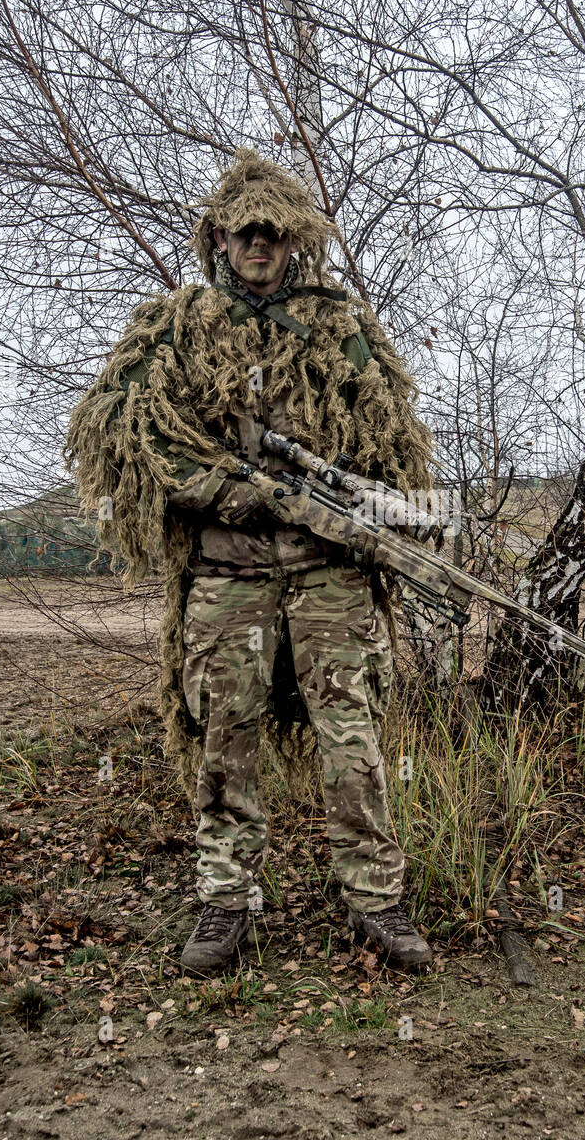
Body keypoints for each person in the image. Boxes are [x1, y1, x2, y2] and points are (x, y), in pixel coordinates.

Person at [65, 148, 436, 976]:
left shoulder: (340, 325)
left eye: (272, 232)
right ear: (220, 240)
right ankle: (226, 900)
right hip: (227, 574)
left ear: (293, 237)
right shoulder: (177, 324)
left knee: (353, 740)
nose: (258, 246)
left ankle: (374, 899)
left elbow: (388, 442)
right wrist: (225, 491)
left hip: (329, 570)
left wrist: (343, 506)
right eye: (243, 234)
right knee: (221, 740)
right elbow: (127, 434)